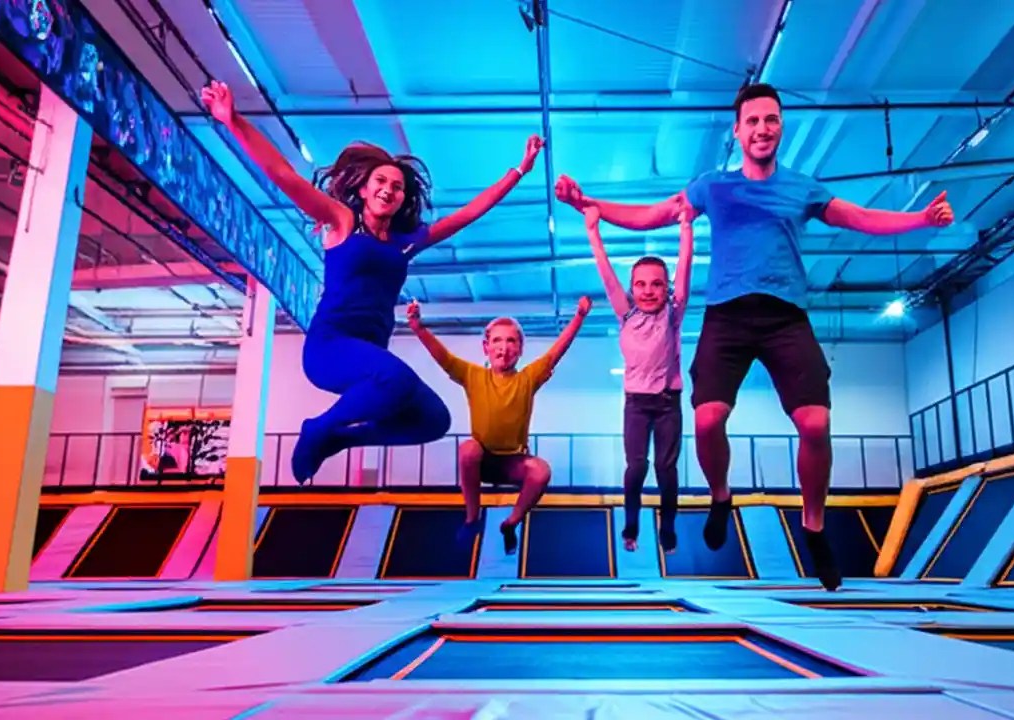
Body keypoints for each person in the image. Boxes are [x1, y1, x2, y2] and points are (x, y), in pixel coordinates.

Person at [555, 82, 954, 590]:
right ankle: (722, 495)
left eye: (771, 120)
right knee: (706, 419)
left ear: (780, 127)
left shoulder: (802, 188)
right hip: (727, 315)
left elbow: (857, 217)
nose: (762, 129)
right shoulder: (713, 186)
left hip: (786, 315)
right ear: (738, 131)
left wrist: (919, 218)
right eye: (753, 122)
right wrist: (587, 203)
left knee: (815, 423)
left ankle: (814, 528)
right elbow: (653, 214)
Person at [200, 80, 544, 484]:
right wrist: (233, 120)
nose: (389, 189)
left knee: (434, 420)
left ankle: (339, 440)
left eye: (397, 186)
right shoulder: (343, 223)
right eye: (380, 182)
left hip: (369, 363)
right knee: (395, 379)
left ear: (402, 198)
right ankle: (318, 428)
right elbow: (285, 176)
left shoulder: (405, 242)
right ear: (363, 189)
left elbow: (467, 214)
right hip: (329, 350)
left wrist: (519, 171)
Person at [407, 297, 591, 554]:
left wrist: (579, 317)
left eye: (511, 341)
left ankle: (510, 523)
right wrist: (418, 328)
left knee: (541, 471)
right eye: (497, 341)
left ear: (520, 348)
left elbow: (555, 353)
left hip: (513, 463)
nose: (503, 348)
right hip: (481, 461)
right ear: (486, 347)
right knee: (469, 449)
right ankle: (472, 518)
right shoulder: (473, 376)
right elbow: (444, 358)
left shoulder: (528, 379)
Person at [583, 204, 693, 554]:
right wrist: (593, 232)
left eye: (657, 285)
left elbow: (685, 269)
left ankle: (669, 528)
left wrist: (686, 228)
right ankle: (631, 526)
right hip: (635, 404)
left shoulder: (673, 315)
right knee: (636, 468)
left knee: (665, 467)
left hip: (666, 403)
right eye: (641, 285)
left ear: (667, 289)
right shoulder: (625, 313)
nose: (648, 291)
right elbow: (605, 273)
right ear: (632, 288)